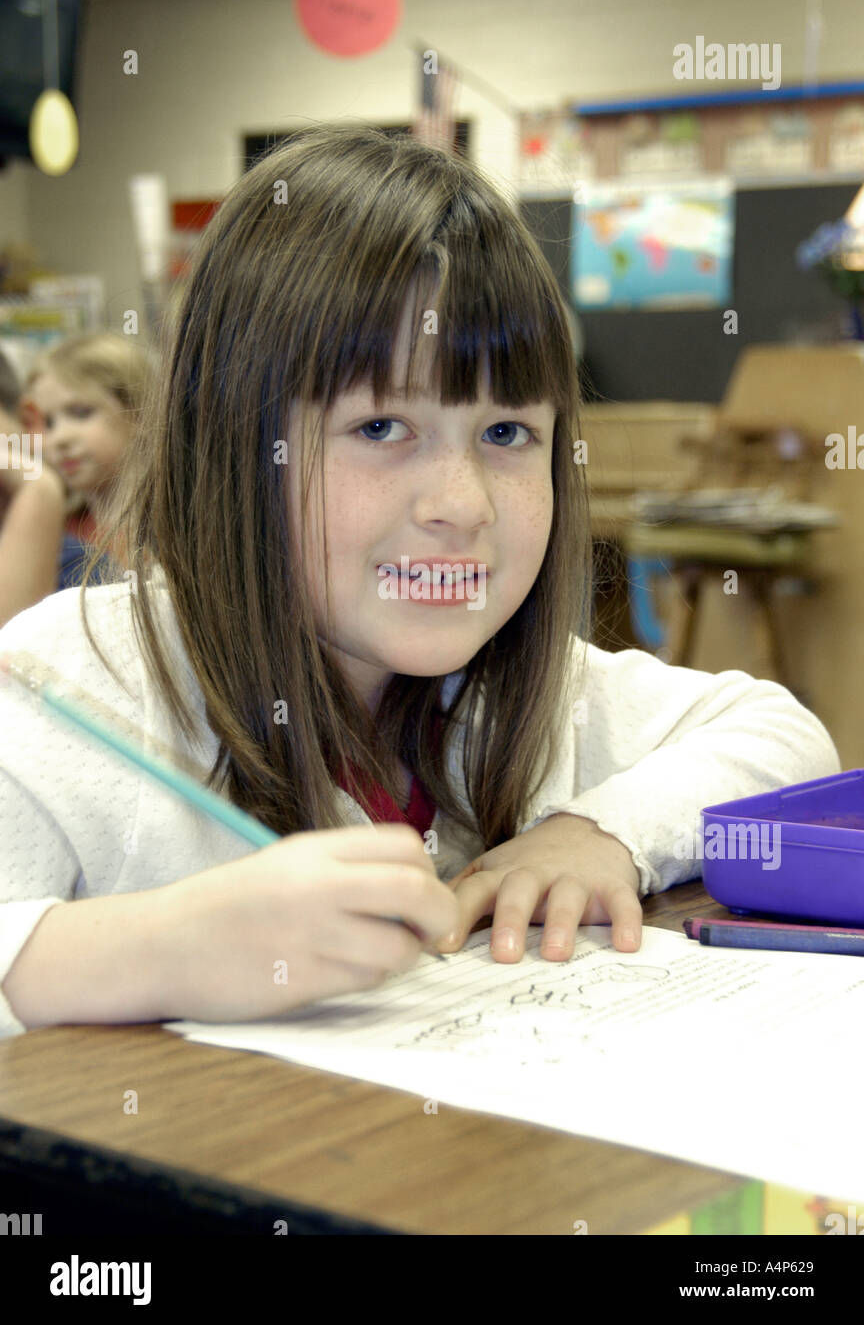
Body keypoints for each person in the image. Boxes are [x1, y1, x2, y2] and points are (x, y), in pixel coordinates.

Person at [0, 125, 840, 1039]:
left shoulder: (532, 691)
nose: (462, 503)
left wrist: (599, 833)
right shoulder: (64, 687)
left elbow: (780, 735)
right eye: (381, 427)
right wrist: (161, 948)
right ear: (235, 441)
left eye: (507, 433)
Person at [0, 333, 152, 627]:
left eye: (80, 413)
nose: (59, 438)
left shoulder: (169, 528)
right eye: (47, 424)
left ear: (138, 411)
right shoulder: (59, 526)